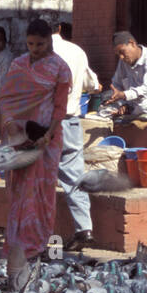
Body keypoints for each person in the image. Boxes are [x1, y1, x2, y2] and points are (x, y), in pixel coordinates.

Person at [0, 19, 72, 292]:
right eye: (30, 44)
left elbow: (59, 108)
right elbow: (6, 100)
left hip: (46, 140)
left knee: (41, 192)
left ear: (50, 41)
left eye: (40, 44)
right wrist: (11, 127)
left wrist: (48, 134)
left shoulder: (60, 69)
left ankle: (38, 245)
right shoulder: (18, 64)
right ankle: (16, 244)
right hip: (19, 139)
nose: (35, 49)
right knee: (18, 191)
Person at [51, 20, 100, 250]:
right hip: (71, 121)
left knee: (42, 179)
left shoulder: (35, 55)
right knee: (74, 176)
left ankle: (44, 238)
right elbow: (93, 84)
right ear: (59, 29)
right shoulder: (77, 51)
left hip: (45, 123)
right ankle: (84, 228)